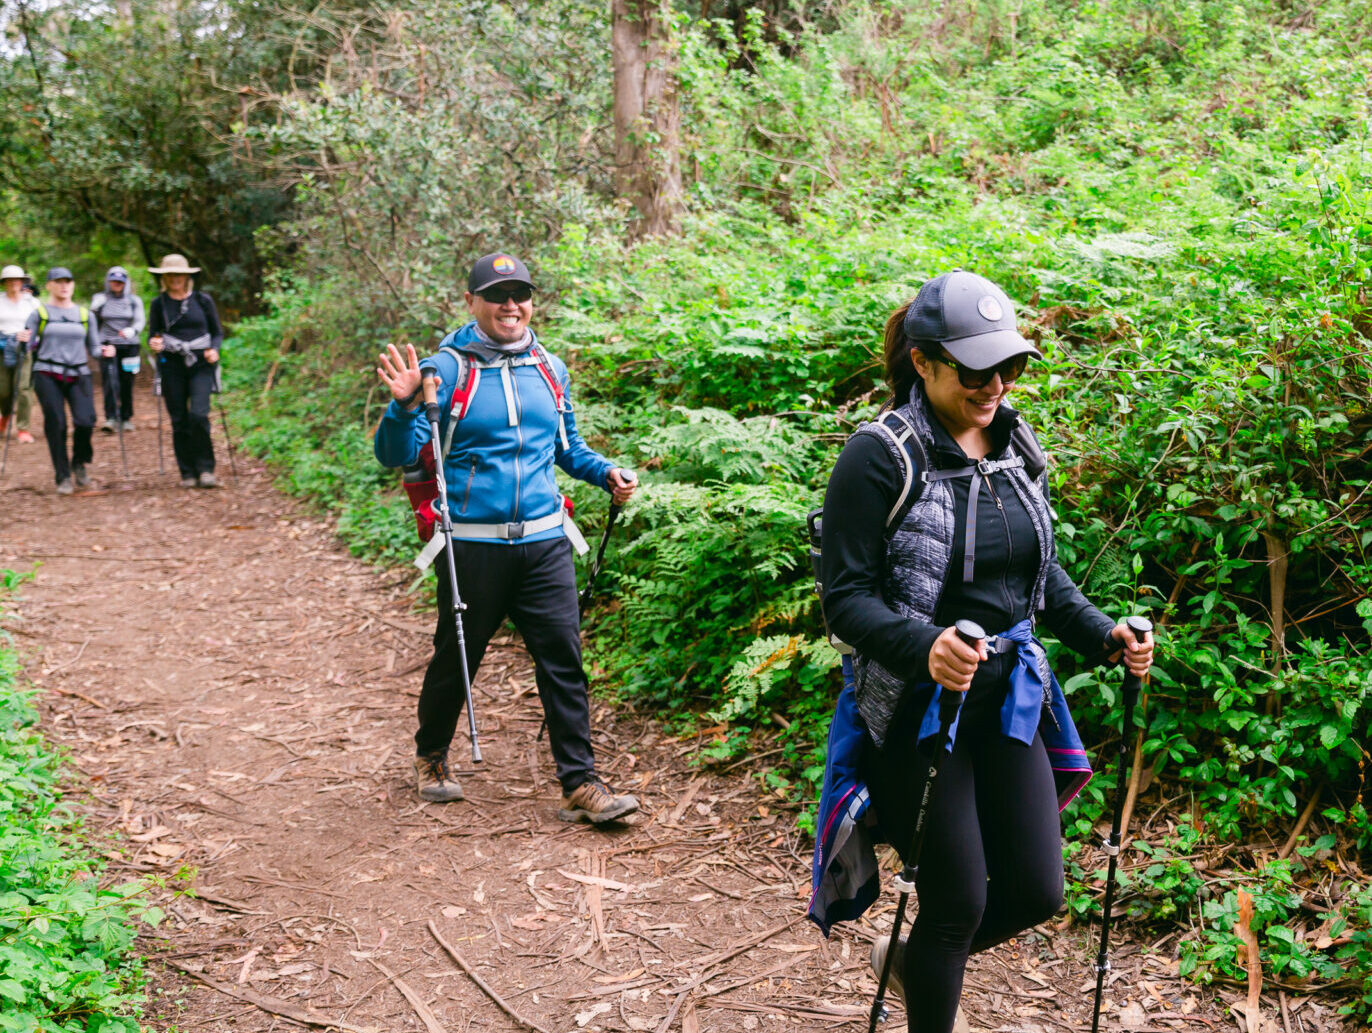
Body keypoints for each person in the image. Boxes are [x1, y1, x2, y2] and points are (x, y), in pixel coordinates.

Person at [813, 270, 1154, 1033]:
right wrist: (926, 644)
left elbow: (1040, 577)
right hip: (915, 711)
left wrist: (1105, 632)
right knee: (957, 901)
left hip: (1008, 698)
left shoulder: (1013, 442)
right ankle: (932, 968)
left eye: (1009, 365)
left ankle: (908, 964)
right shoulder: (878, 456)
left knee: (1038, 889)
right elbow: (846, 600)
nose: (995, 383)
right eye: (974, 370)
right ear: (925, 361)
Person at [374, 252, 641, 823]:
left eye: (519, 294)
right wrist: (401, 408)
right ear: (471, 302)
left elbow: (567, 448)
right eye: (497, 295)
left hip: (545, 540)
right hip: (473, 542)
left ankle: (581, 783)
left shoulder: (550, 366)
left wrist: (606, 472)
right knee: (458, 654)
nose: (510, 305)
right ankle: (431, 755)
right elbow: (395, 456)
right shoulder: (443, 371)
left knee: (564, 659)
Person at [146, 254, 223, 487]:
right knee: (179, 419)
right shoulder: (159, 304)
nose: (175, 279)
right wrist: (155, 344)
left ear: (187, 276)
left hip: (201, 365)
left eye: (179, 274)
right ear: (164, 278)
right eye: (169, 275)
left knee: (199, 416)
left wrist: (215, 350)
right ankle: (187, 472)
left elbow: (217, 332)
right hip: (172, 366)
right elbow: (153, 335)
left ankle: (206, 469)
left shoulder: (203, 300)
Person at [24, 268, 103, 493]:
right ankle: (62, 476)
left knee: (86, 421)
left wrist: (106, 351)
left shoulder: (86, 315)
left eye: (68, 281)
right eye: (58, 282)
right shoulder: (40, 313)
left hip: (79, 373)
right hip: (47, 373)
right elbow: (28, 345)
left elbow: (95, 348)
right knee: (56, 423)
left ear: (73, 285)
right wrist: (22, 341)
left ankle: (79, 462)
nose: (64, 286)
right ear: (49, 285)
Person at [91, 266, 145, 432]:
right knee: (110, 381)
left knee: (127, 382)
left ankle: (126, 417)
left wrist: (132, 330)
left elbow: (140, 320)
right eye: (114, 281)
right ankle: (111, 418)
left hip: (130, 346)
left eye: (120, 282)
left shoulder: (134, 301)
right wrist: (94, 309)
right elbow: (92, 321)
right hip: (108, 345)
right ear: (108, 281)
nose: (117, 284)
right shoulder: (100, 298)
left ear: (125, 283)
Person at [0, 265, 40, 445]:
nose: (13, 283)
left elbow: (42, 323)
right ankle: (6, 415)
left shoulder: (32, 303)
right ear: (4, 283)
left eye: (17, 279)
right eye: (9, 280)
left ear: (22, 282)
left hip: (25, 350)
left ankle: (23, 428)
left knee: (24, 388)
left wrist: (32, 337)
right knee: (4, 391)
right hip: (2, 348)